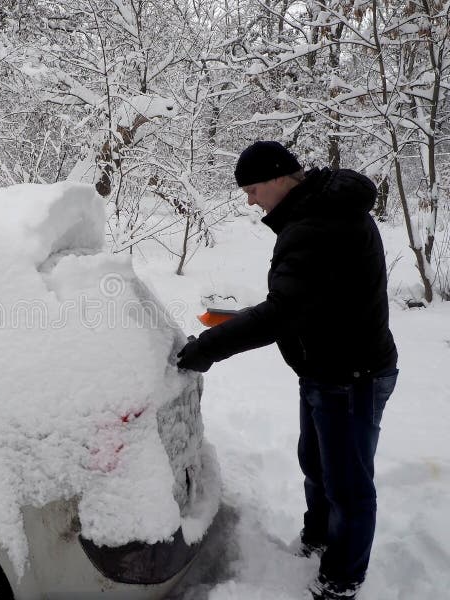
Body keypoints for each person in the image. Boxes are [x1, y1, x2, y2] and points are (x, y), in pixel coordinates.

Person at [177, 141, 398, 600]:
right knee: (317, 465)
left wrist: (208, 347)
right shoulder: (316, 212)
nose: (250, 200)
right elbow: (308, 301)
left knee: (348, 486)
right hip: (327, 369)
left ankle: (340, 581)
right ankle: (319, 540)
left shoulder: (320, 223)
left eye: (254, 189)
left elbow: (285, 311)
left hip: (351, 376)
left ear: (281, 177)